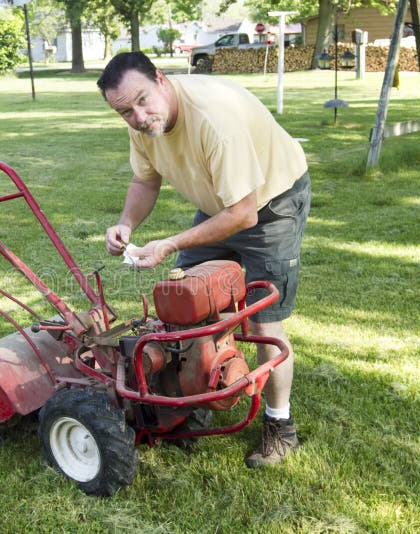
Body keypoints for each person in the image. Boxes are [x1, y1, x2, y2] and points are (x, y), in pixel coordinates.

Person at [97, 51, 311, 467]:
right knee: (185, 301)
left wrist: (171, 243)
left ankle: (280, 428)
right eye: (125, 112)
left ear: (161, 79)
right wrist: (126, 224)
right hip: (223, 204)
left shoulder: (214, 118)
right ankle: (182, 408)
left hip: (272, 202)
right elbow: (145, 179)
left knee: (263, 317)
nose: (139, 116)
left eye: (143, 100)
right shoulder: (142, 125)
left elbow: (244, 213)